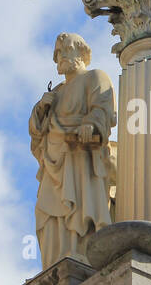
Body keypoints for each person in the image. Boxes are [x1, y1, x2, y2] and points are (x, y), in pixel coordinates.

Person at [29, 33, 116, 270]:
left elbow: (103, 108)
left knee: (80, 210)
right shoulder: (55, 93)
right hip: (53, 163)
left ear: (82, 52)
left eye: (66, 50)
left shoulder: (95, 77)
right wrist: (40, 110)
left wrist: (92, 123)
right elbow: (37, 133)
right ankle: (53, 266)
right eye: (58, 52)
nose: (61, 56)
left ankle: (82, 257)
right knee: (47, 214)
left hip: (81, 158)